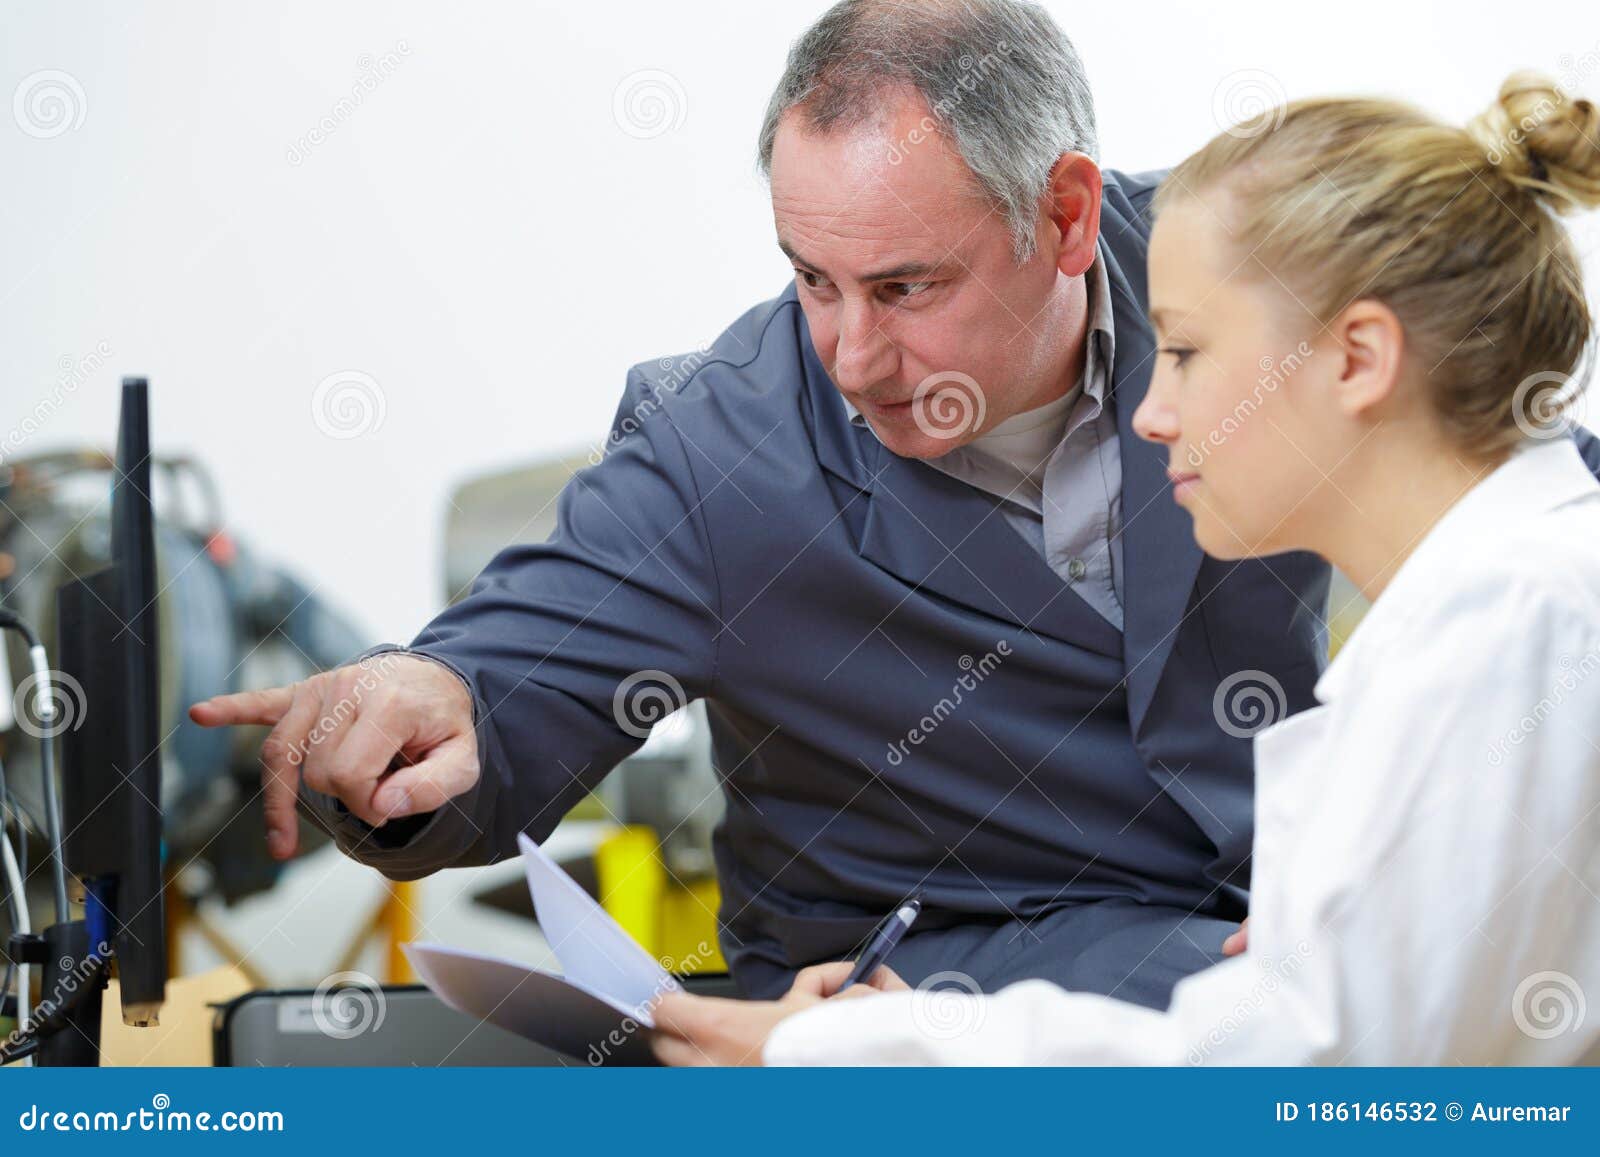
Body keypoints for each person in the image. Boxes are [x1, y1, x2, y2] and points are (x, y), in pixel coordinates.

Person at [186, 0, 1354, 1005]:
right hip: (917, 1002)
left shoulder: (1261, 280)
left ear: (1064, 216)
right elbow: (501, 687)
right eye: (811, 278)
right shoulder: (716, 451)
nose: (850, 354)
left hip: (1317, 935)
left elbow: (1502, 491)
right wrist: (422, 707)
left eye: (904, 287)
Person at [649, 72, 1600, 1065]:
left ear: (1356, 357)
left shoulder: (1509, 617)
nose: (1149, 413)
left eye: (1184, 350)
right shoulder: (1508, 595)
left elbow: (1303, 1083)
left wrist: (852, 1048)